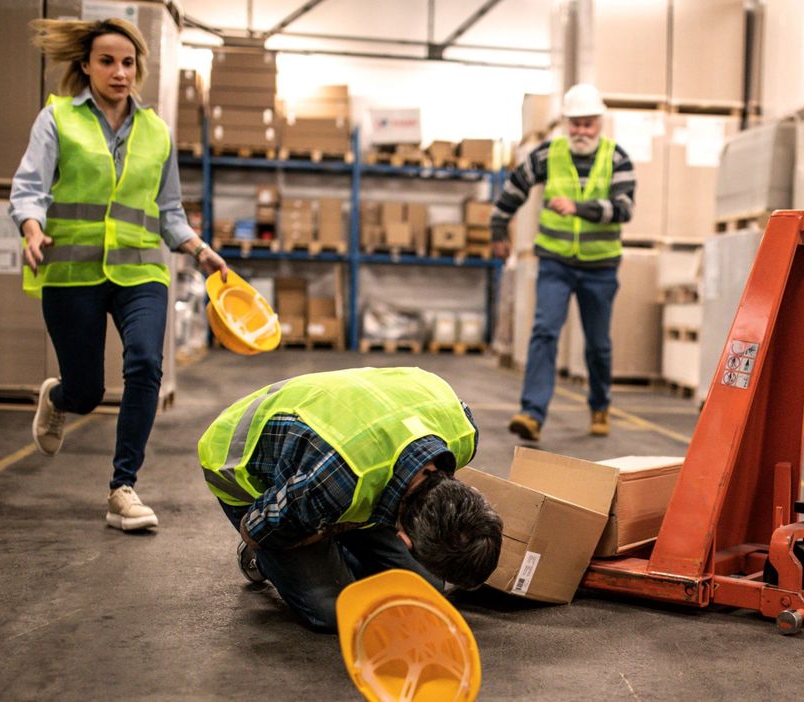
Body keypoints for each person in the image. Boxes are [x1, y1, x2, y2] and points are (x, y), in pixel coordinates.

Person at [10, 18, 228, 531]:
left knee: (146, 365)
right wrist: (32, 229)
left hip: (140, 272)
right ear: (85, 66)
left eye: (128, 63)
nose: (119, 72)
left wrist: (199, 251)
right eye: (107, 61)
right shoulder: (58, 118)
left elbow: (169, 211)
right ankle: (60, 398)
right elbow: (30, 186)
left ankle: (122, 487)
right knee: (87, 392)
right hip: (72, 273)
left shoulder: (156, 132)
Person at [198, 367, 503, 632]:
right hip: (243, 469)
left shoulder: (463, 433)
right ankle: (267, 564)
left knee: (424, 588)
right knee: (334, 611)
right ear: (405, 540)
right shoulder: (335, 481)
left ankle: (327, 551)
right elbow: (256, 528)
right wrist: (329, 529)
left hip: (348, 468)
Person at [490, 84, 636, 442]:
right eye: (576, 124)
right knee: (544, 331)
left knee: (598, 344)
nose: (581, 132)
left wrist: (579, 208)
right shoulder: (547, 155)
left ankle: (600, 405)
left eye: (588, 124)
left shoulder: (617, 159)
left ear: (599, 123)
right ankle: (532, 413)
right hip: (555, 262)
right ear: (566, 123)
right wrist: (497, 227)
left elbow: (624, 208)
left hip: (600, 267)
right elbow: (515, 187)